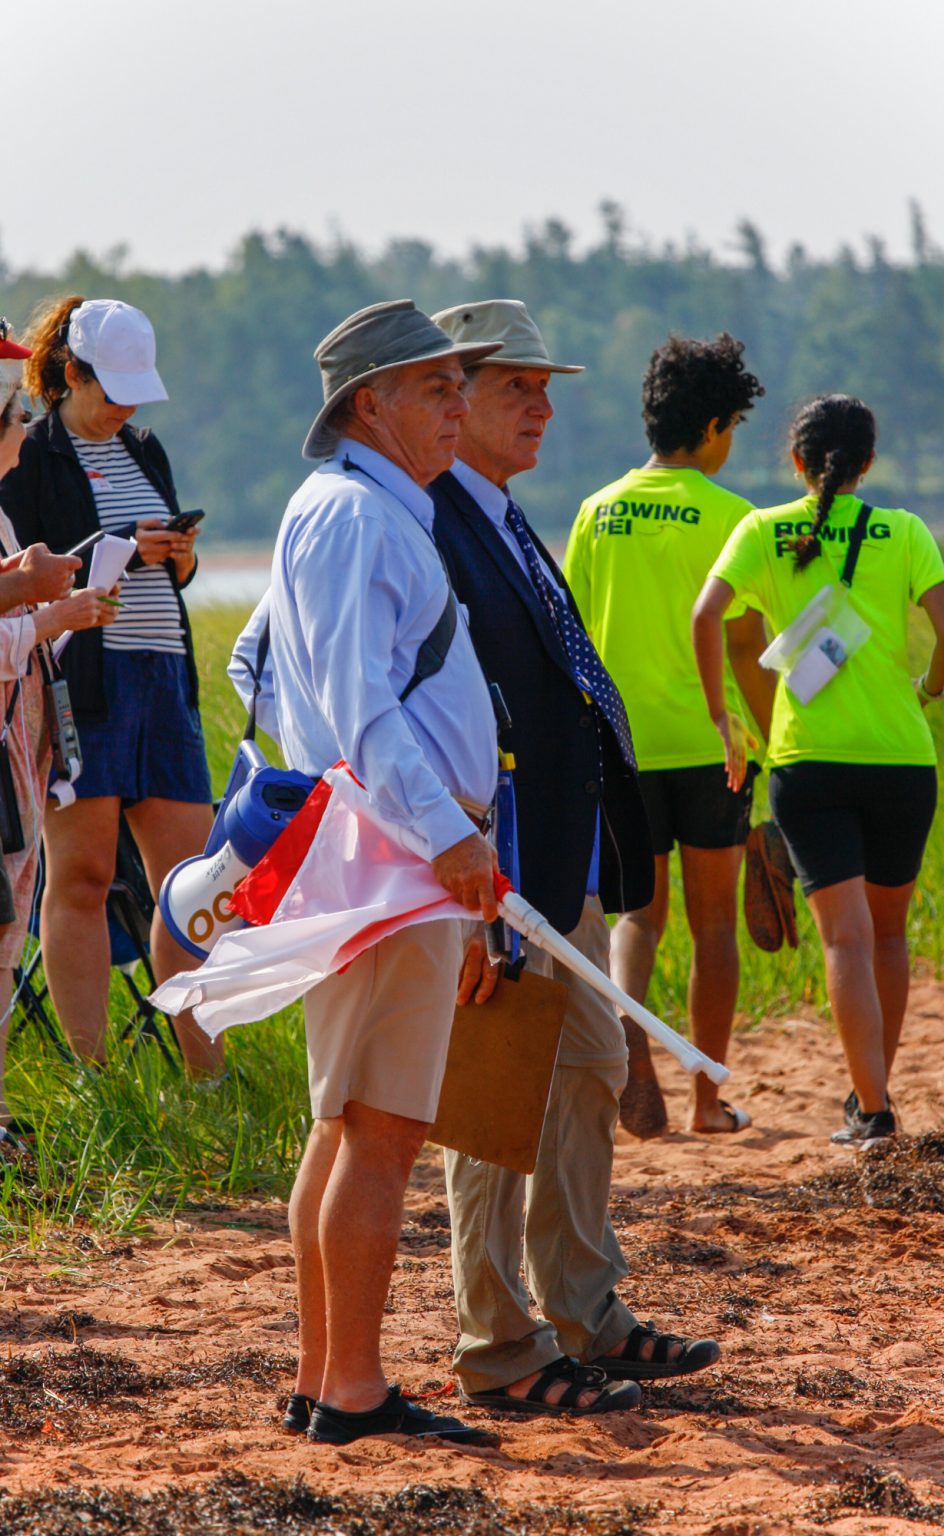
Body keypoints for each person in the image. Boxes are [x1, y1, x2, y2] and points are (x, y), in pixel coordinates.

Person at [428, 299, 718, 1416]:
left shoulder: (500, 514)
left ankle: (586, 1311)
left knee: (589, 1072)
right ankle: (499, 1342)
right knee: (493, 1105)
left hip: (562, 861)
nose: (541, 407)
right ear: (452, 396)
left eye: (546, 388)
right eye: (517, 387)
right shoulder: (430, 520)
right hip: (496, 869)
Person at [267, 300, 508, 1446]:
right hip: (394, 855)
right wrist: (446, 833)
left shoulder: (347, 509)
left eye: (459, 385)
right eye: (435, 388)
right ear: (370, 404)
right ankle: (351, 1390)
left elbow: (262, 666)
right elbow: (361, 706)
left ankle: (327, 1380)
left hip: (372, 847)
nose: (459, 405)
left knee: (348, 1123)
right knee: (380, 1128)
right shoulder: (358, 515)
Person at [693, 394, 944, 1147]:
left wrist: (723, 717)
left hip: (808, 763)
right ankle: (871, 1089)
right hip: (902, 759)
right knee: (889, 936)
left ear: (796, 461)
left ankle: (872, 1109)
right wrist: (929, 689)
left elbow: (706, 615)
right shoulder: (904, 530)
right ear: (867, 463)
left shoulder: (762, 529)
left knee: (844, 940)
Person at [0, 297, 220, 1077]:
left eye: (136, 391)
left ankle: (209, 1071)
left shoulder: (145, 448)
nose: (126, 406)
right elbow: (29, 572)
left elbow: (169, 574)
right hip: (84, 682)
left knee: (193, 887)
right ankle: (97, 1077)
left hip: (163, 674)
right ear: (71, 372)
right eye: (113, 389)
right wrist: (127, 544)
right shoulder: (31, 451)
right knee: (84, 877)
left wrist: (179, 558)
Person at [565, 333, 772, 1139]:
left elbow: (573, 639)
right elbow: (748, 647)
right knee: (714, 922)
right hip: (712, 747)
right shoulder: (733, 517)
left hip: (621, 748)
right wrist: (774, 739)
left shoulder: (596, 511)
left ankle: (630, 1036)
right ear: (714, 425)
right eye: (733, 429)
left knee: (637, 919)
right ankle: (708, 1102)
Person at [0, 319, 120, 1142]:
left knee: (8, 936)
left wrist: (44, 600)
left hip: (18, 746)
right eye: (14, 415)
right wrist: (48, 613)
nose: (21, 426)